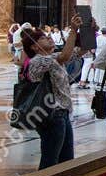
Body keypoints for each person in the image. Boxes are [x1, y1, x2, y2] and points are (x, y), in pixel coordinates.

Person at [21, 20, 81, 168]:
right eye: (42, 38)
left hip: (62, 112)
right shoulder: (37, 61)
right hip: (50, 114)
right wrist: (73, 30)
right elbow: (65, 56)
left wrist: (87, 29)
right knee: (50, 159)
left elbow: (82, 51)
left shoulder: (52, 57)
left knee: (66, 158)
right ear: (34, 47)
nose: (48, 38)